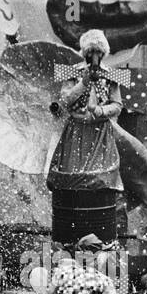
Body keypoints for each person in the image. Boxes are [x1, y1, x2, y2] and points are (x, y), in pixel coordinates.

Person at [46, 30, 124, 244]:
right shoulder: (72, 72)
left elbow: (118, 105)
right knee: (72, 179)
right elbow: (65, 100)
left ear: (104, 53)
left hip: (100, 134)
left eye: (98, 52)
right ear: (85, 53)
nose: (95, 57)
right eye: (91, 52)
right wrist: (83, 83)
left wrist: (101, 111)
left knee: (99, 181)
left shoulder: (112, 75)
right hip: (76, 132)